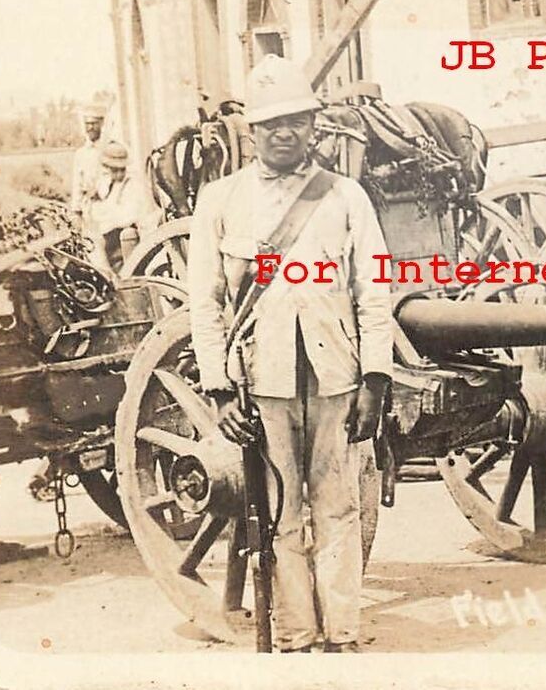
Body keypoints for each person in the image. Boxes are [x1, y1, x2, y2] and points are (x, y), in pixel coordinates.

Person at [188, 54, 393, 653]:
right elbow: (206, 305)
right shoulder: (220, 202)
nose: (285, 133)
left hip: (337, 378)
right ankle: (299, 636)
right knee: (279, 513)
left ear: (314, 127)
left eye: (297, 121)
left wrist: (374, 382)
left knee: (339, 507)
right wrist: (219, 388)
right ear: (252, 132)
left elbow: (373, 294)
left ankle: (344, 633)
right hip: (261, 382)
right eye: (273, 123)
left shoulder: (347, 198)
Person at [84, 141, 151, 271]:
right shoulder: (109, 184)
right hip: (110, 240)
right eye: (114, 170)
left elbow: (127, 216)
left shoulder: (133, 185)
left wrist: (101, 210)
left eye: (122, 169)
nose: (119, 174)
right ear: (107, 168)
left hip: (125, 240)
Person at [69, 104, 107, 213]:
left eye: (94, 123)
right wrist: (76, 210)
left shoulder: (110, 148)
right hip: (90, 207)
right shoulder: (80, 154)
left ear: (102, 123)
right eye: (87, 124)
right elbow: (77, 184)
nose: (90, 127)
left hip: (111, 206)